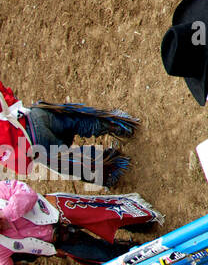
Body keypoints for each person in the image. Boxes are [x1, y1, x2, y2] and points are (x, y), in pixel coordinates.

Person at [0, 178, 151, 265]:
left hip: (56, 210)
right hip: (59, 240)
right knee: (105, 254)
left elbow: (25, 192)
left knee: (106, 213)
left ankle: (140, 219)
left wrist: (6, 214)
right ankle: (141, 252)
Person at [0, 79, 136, 188]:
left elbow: (19, 163)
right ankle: (118, 125)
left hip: (34, 143)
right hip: (34, 115)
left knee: (74, 161)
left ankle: (113, 169)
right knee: (76, 121)